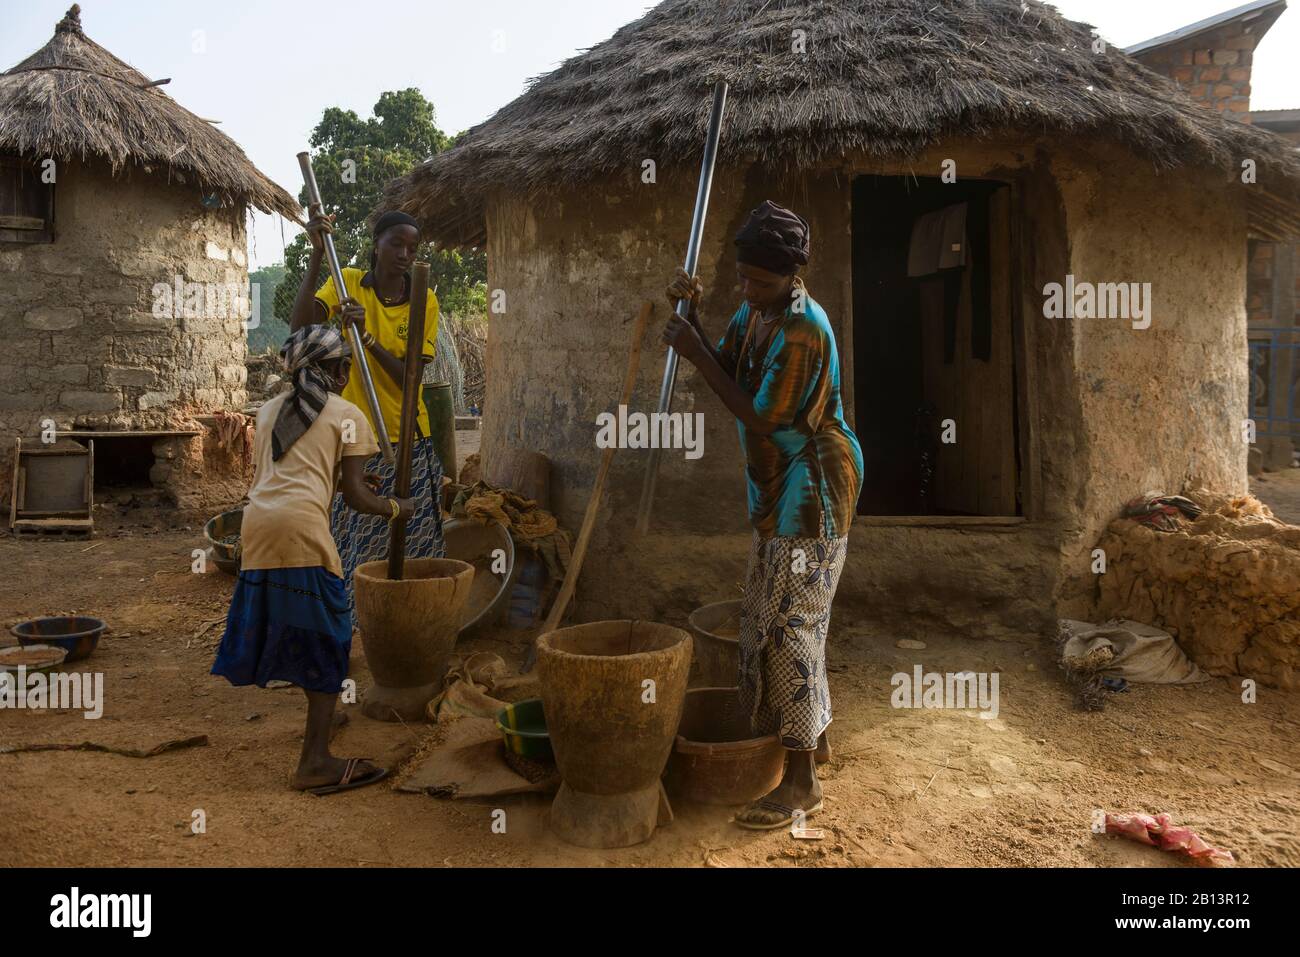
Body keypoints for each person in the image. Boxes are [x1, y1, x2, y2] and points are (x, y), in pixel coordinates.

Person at [662, 200, 863, 830]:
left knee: (792, 626)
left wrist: (694, 354)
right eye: (744, 278)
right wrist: (694, 323)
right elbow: (729, 367)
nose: (748, 290)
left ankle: (801, 784)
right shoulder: (758, 309)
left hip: (814, 489)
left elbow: (763, 417)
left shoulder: (804, 327)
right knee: (782, 614)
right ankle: (813, 741)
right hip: (782, 484)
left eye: (761, 281)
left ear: (791, 276)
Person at [211, 326, 413, 794]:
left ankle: (323, 713)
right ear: (335, 371)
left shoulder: (266, 412)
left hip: (257, 527)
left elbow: (297, 472)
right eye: (343, 365)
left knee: (294, 621)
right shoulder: (346, 413)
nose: (346, 373)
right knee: (331, 634)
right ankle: (315, 762)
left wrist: (346, 485)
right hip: (302, 530)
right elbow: (361, 498)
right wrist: (399, 508)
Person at [289, 209, 445, 625]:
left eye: (412, 247)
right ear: (377, 244)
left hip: (408, 437)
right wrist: (317, 256)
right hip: (357, 436)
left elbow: (409, 378)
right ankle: (363, 624)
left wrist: (368, 337)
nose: (405, 254)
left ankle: (412, 620)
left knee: (413, 536)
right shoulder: (350, 282)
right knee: (360, 533)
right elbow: (301, 327)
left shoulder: (422, 299)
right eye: (396, 243)